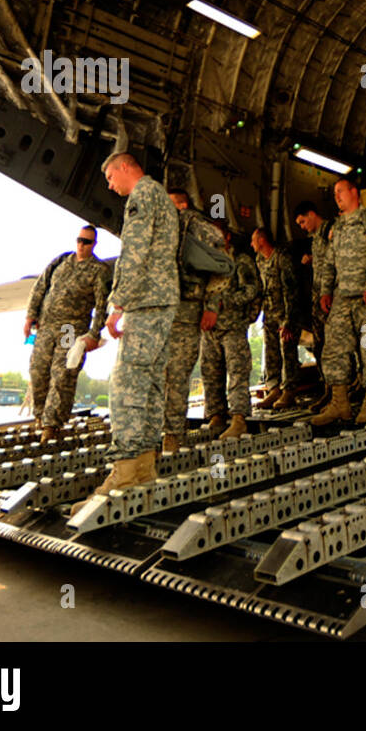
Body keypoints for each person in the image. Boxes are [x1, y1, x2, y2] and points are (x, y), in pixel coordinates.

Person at [70, 152, 178, 515]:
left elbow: (134, 253)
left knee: (128, 383)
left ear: (125, 168)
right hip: (163, 301)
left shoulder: (142, 197)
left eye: (110, 176)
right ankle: (145, 468)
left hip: (145, 302)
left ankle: (126, 471)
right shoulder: (161, 196)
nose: (109, 185)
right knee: (149, 384)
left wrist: (118, 304)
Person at [311, 178, 366, 426]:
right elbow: (329, 262)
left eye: (340, 191)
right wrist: (326, 291)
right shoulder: (336, 228)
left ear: (354, 193)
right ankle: (340, 403)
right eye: (334, 193)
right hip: (342, 300)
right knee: (334, 348)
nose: (336, 196)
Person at [23, 225, 112, 442]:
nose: (82, 245)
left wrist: (93, 333)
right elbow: (40, 287)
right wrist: (30, 316)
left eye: (87, 242)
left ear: (94, 244)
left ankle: (51, 425)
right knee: (37, 371)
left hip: (69, 329)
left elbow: (102, 305)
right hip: (46, 326)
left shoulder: (98, 270)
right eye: (80, 240)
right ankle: (39, 416)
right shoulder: (61, 261)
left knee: (61, 374)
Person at [159, 188, 220, 452]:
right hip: (163, 313)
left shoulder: (200, 228)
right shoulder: (164, 230)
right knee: (160, 375)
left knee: (177, 375)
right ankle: (161, 432)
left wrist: (212, 306)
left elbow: (221, 265)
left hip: (187, 313)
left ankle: (173, 435)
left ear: (182, 205)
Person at [200, 222, 259, 439]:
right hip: (209, 329)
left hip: (232, 326)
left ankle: (238, 418)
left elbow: (252, 290)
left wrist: (226, 302)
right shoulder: (205, 263)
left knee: (237, 372)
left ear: (227, 237)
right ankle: (216, 414)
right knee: (210, 373)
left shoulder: (240, 261)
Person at [251, 226, 305, 409]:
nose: (251, 245)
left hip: (285, 315)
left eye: (253, 240)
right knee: (271, 352)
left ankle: (289, 390)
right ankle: (274, 389)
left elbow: (291, 290)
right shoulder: (259, 260)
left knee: (287, 352)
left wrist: (289, 321)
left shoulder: (282, 259)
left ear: (261, 241)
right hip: (269, 314)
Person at [293, 201, 333, 380]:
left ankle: (348, 386)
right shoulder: (316, 238)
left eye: (302, 222)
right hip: (319, 298)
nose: (302, 227)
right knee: (320, 345)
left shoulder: (331, 231)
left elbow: (335, 262)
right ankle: (328, 386)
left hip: (332, 298)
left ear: (311, 214)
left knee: (338, 345)